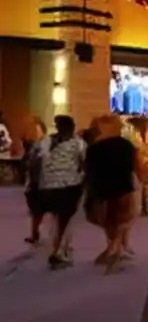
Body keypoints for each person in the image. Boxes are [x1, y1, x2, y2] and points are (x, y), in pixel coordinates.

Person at [84, 115, 145, 273]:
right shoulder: (127, 146)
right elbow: (137, 166)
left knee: (108, 221)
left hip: (101, 190)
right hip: (123, 188)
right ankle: (115, 248)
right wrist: (142, 179)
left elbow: (88, 171)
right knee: (123, 220)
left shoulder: (93, 148)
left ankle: (113, 247)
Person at [36, 115, 86, 269]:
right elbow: (84, 162)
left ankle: (54, 248)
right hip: (69, 185)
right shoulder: (78, 143)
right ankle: (60, 251)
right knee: (67, 220)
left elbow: (37, 161)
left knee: (54, 217)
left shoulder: (46, 142)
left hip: (47, 186)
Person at [23, 119, 47, 246]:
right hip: (34, 181)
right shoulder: (34, 146)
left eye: (37, 130)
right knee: (35, 210)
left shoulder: (45, 145)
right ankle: (34, 233)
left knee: (40, 210)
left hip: (43, 181)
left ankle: (38, 234)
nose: (35, 132)